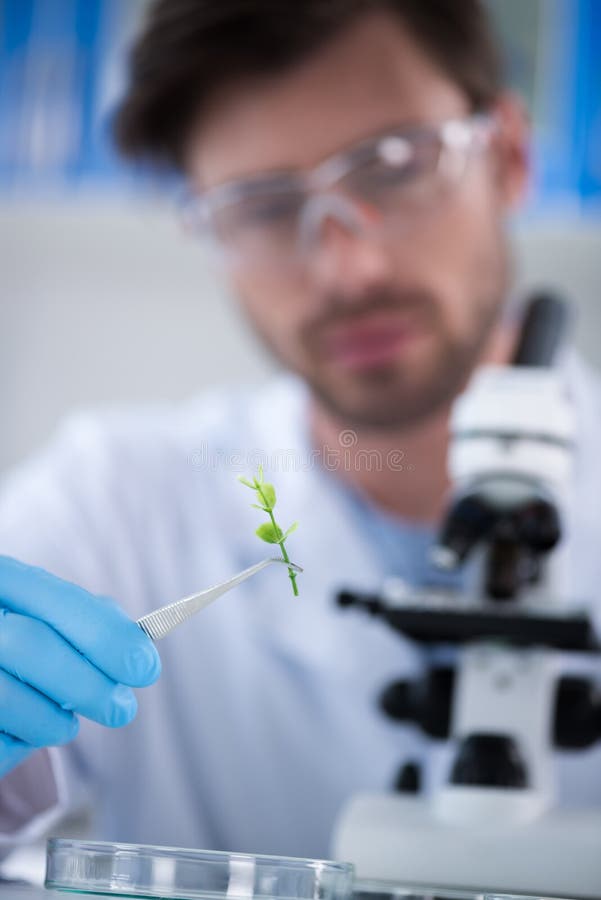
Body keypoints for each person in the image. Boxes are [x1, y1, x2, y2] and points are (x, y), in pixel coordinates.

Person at [1, 0, 600, 863]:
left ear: (507, 156)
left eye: (394, 167)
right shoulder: (110, 505)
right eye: (261, 206)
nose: (349, 267)